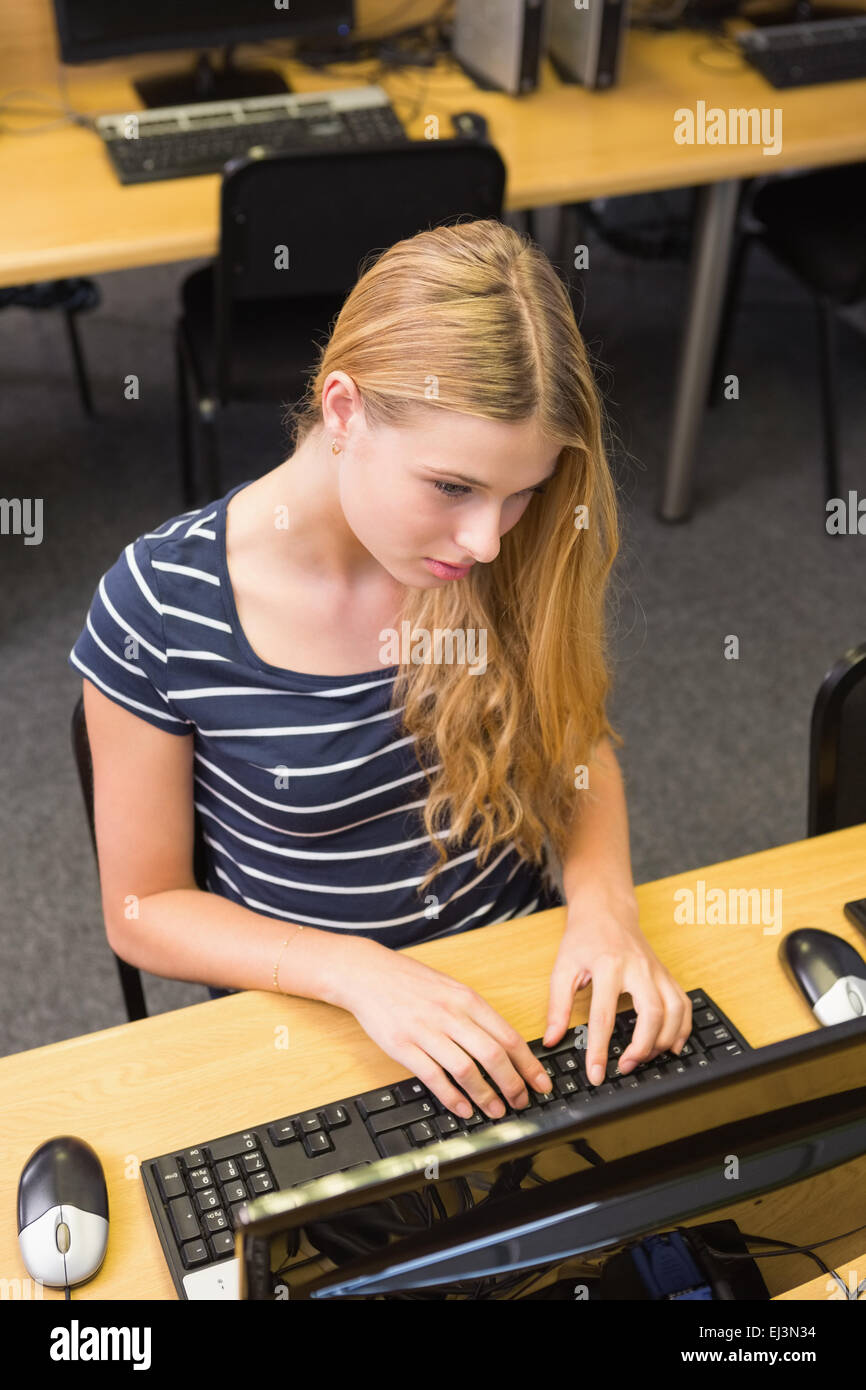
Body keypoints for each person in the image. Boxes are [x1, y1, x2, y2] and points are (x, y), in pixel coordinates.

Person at [68, 217, 691, 1123]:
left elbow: (577, 745)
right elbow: (142, 907)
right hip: (327, 1018)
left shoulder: (505, 555)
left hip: (518, 985)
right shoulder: (162, 605)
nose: (485, 538)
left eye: (519, 493)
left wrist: (603, 909)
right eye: (453, 487)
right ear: (345, 412)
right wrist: (358, 972)